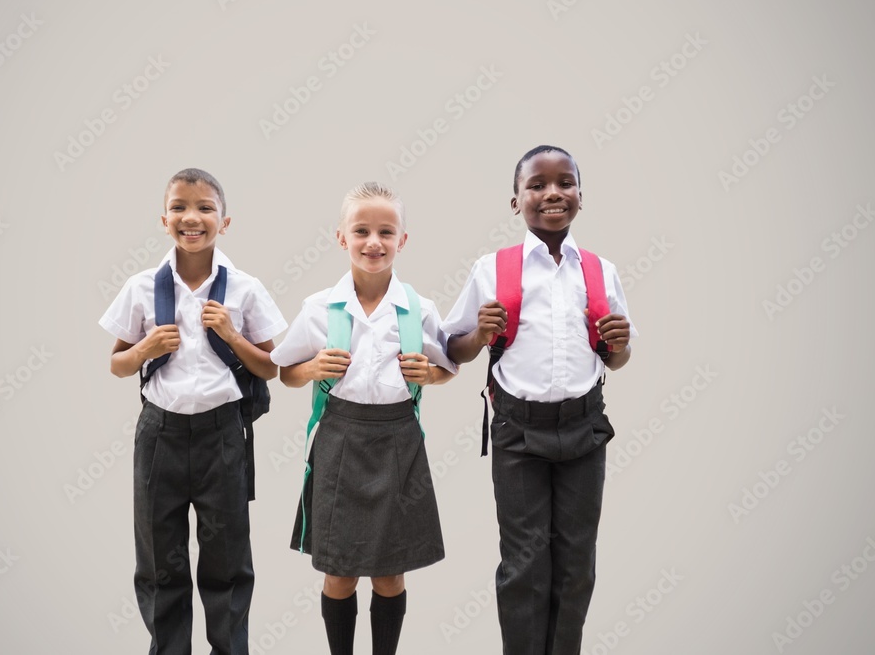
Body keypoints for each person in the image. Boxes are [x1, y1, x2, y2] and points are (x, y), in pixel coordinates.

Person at [443, 145, 635, 655]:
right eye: (537, 185)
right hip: (518, 432)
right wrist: (479, 334)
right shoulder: (492, 269)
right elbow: (453, 350)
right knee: (525, 563)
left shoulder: (600, 270)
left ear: (580, 195)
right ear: (516, 202)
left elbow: (615, 359)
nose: (552, 193)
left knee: (576, 563)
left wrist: (619, 344)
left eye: (565, 182)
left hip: (585, 429)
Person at [99, 168, 286, 655]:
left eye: (205, 207)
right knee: (161, 563)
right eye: (180, 206)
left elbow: (270, 367)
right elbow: (117, 364)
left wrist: (231, 334)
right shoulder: (142, 286)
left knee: (227, 562)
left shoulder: (243, 288)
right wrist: (144, 349)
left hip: (223, 434)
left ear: (225, 222)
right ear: (164, 219)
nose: (192, 217)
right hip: (159, 435)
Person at [271, 182, 456, 655]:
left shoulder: (420, 309)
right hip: (339, 439)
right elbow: (285, 373)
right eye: (361, 231)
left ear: (402, 240)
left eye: (386, 232)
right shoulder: (319, 309)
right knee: (340, 570)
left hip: (399, 441)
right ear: (341, 238)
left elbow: (448, 368)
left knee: (390, 570)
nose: (374, 242)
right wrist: (312, 369)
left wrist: (429, 376)